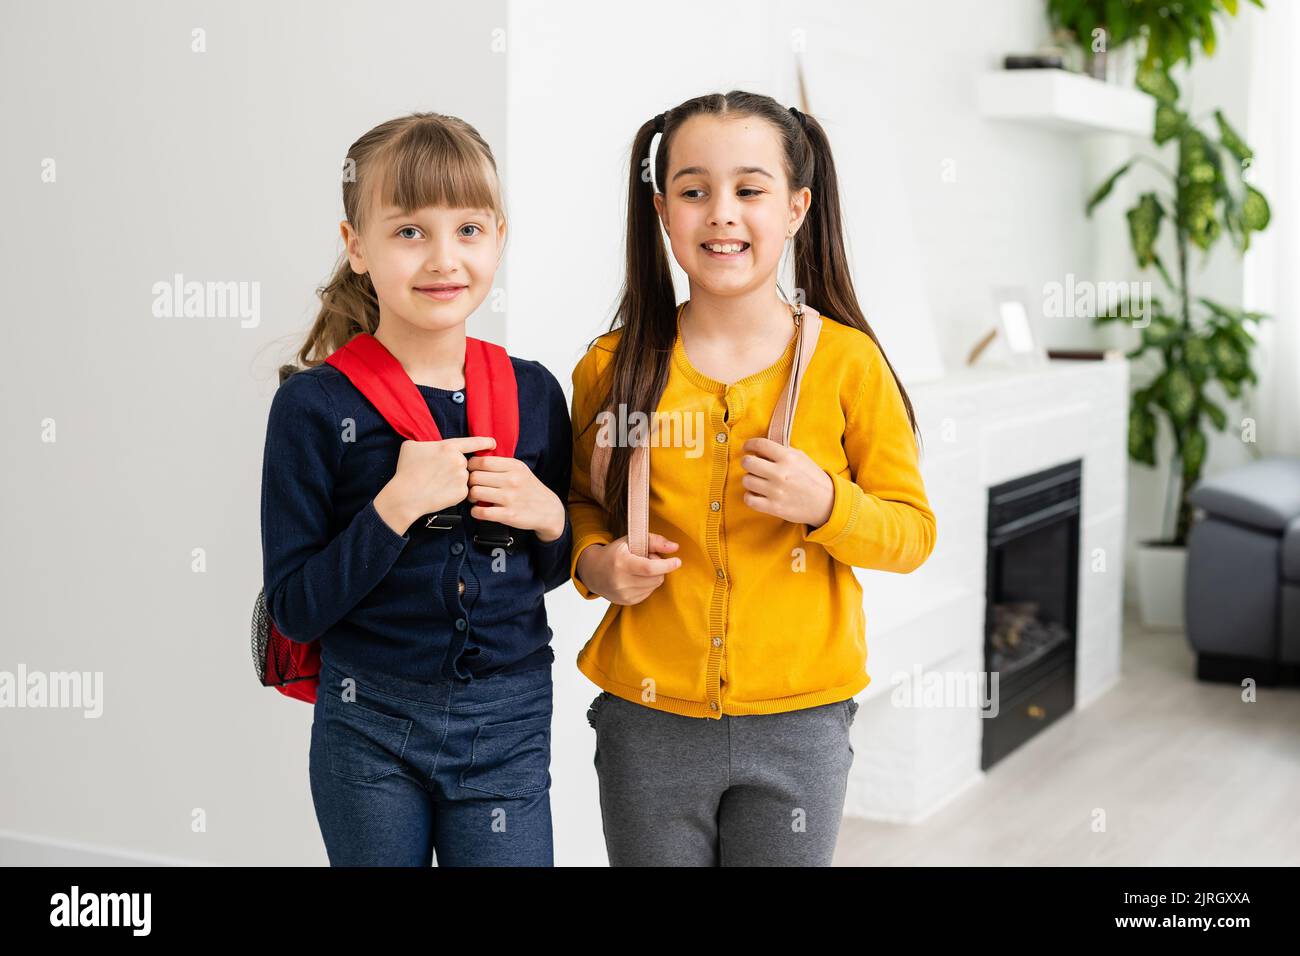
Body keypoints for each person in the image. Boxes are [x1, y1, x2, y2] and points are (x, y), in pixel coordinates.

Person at [568, 91, 937, 866]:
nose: (721, 213)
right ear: (664, 210)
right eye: (694, 190)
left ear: (797, 207)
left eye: (750, 189)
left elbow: (911, 534)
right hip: (647, 723)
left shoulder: (848, 364)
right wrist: (595, 563)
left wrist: (828, 504)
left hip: (800, 727)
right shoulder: (612, 367)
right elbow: (579, 505)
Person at [260, 112, 571, 866]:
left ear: (498, 236)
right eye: (408, 232)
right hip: (368, 722)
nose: (442, 258)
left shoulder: (535, 393)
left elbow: (550, 572)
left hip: (509, 720)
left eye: (468, 229)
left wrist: (554, 518)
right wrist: (394, 508)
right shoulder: (314, 407)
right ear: (356, 246)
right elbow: (296, 607)